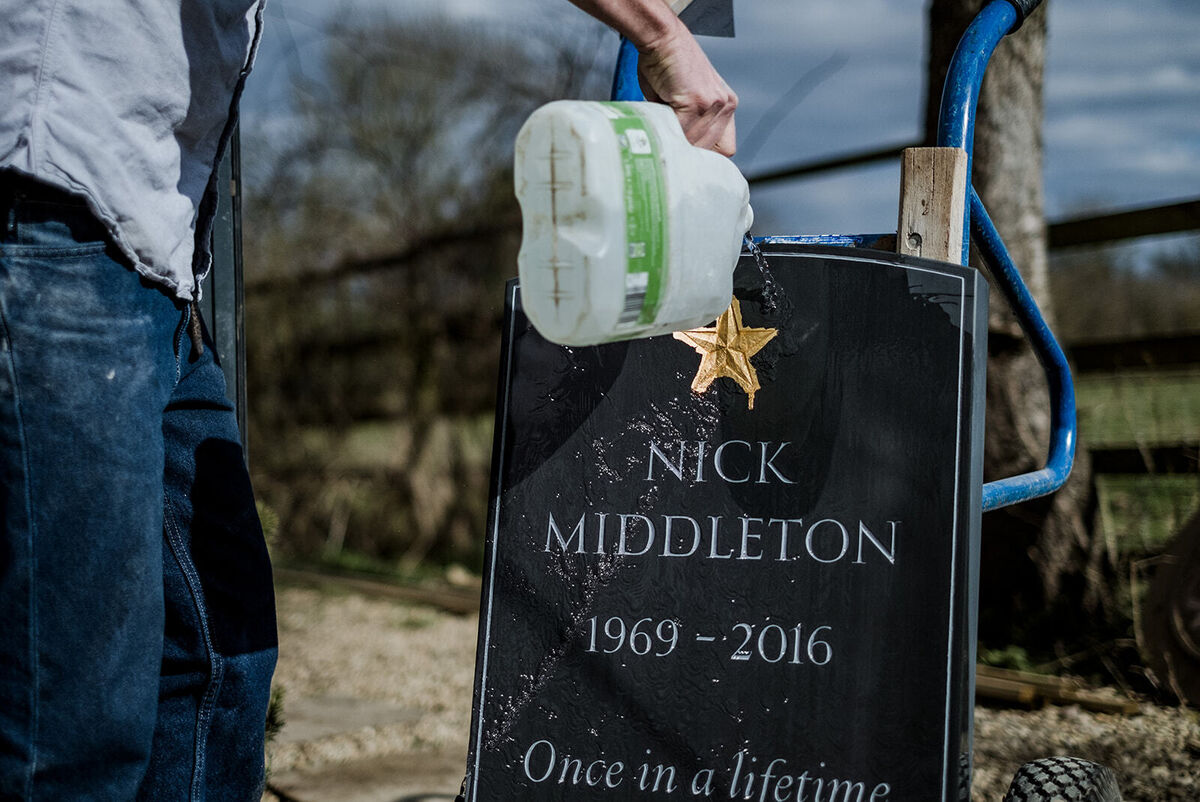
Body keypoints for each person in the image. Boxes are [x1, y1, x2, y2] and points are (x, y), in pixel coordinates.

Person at [0, 1, 737, 799]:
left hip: (157, 261)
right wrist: (661, 32)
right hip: (57, 210)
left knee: (218, 661)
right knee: (74, 719)